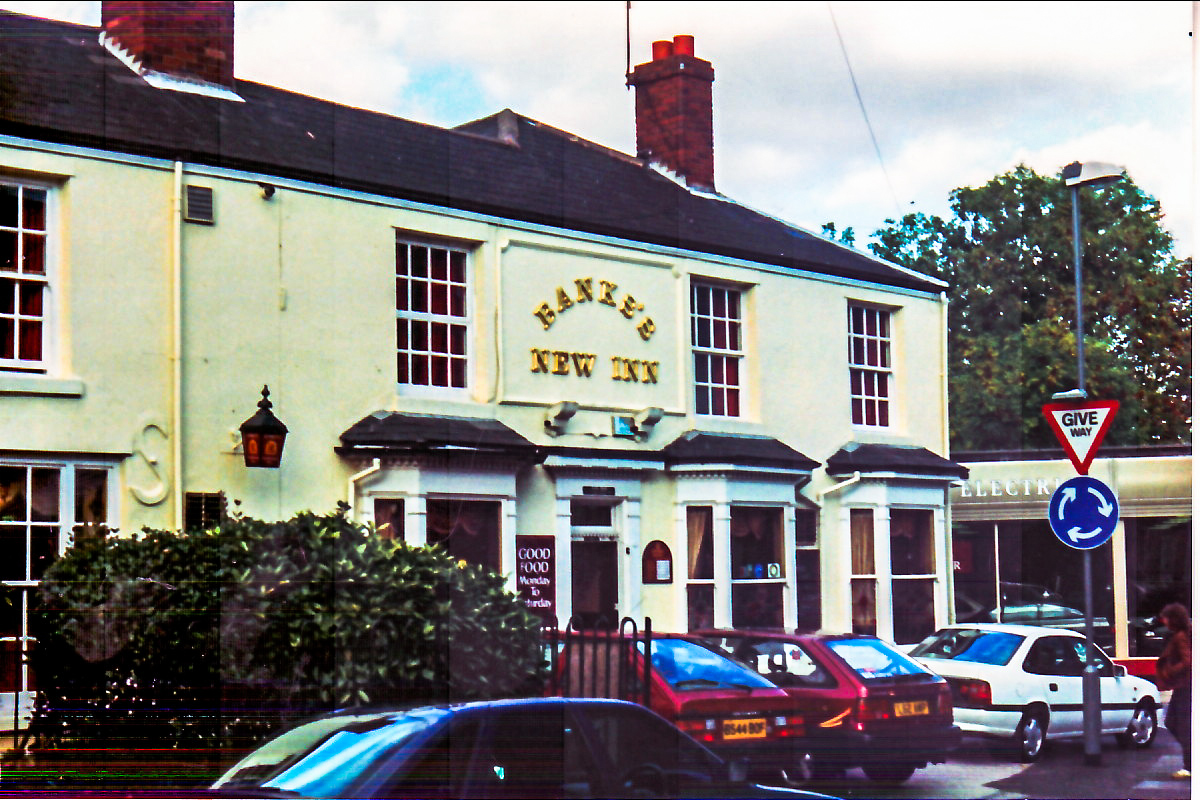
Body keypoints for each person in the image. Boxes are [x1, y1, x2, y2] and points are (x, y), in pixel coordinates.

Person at [1156, 602, 1191, 779]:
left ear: (1173, 619)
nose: (1164, 621)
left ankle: (1190, 766)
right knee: (1177, 723)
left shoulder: (1180, 637)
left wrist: (1169, 671)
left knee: (1180, 725)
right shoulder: (1185, 633)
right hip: (1185, 686)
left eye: (1166, 618)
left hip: (1185, 686)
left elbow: (1188, 661)